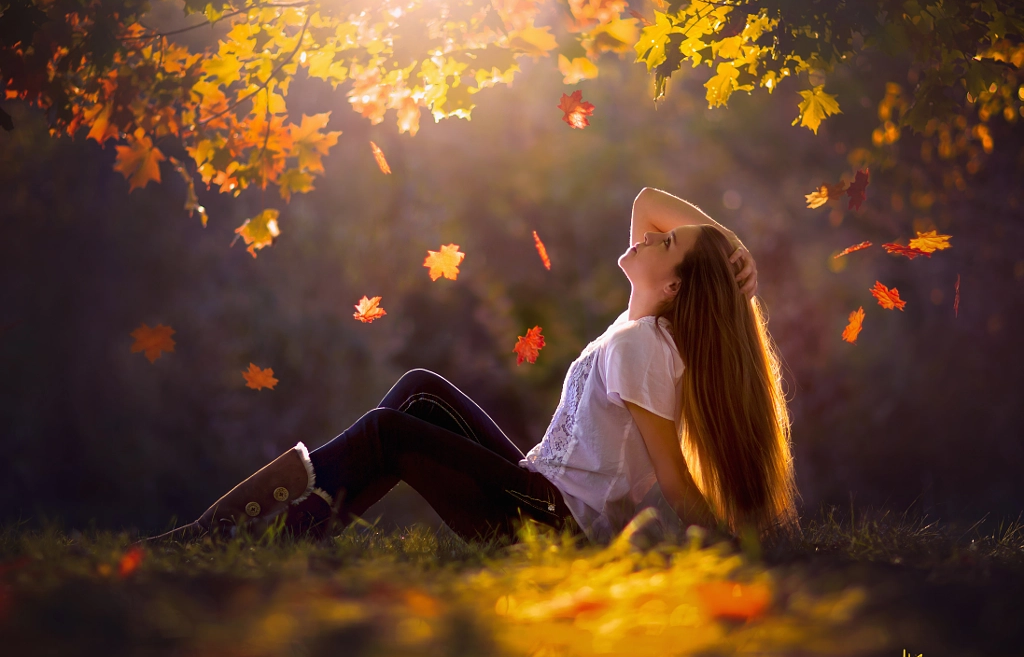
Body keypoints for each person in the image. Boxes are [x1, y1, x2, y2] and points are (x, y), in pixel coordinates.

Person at [147, 187, 800, 548]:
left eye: (663, 244)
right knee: (419, 391)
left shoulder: (642, 347)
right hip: (535, 488)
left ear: (675, 287)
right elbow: (645, 198)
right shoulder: (639, 330)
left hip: (552, 522)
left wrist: (737, 545)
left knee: (387, 431)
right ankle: (273, 525)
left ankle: (234, 533)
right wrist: (727, 242)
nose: (647, 234)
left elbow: (675, 481)